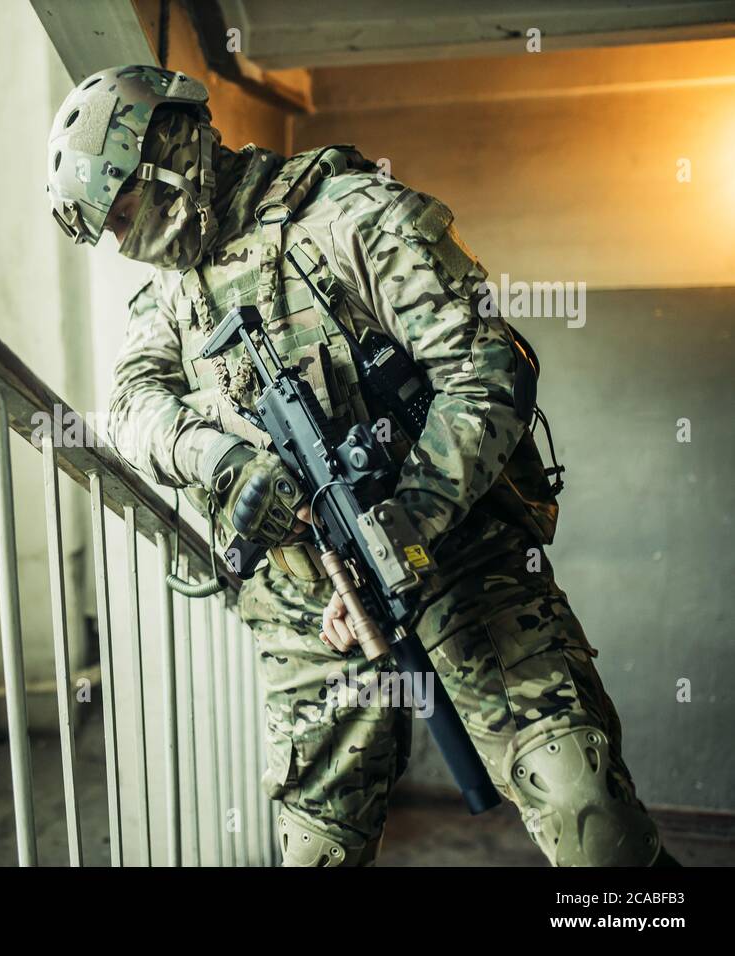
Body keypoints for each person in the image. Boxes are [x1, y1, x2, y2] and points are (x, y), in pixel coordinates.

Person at [46, 64, 675, 866]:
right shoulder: (176, 292)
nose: (127, 241)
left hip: (458, 566)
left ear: (165, 157)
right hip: (312, 615)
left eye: (126, 212)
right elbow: (133, 403)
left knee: (589, 816)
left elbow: (486, 369)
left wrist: (404, 525)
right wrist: (220, 457)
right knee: (317, 851)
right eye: (112, 227)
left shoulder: (348, 214)